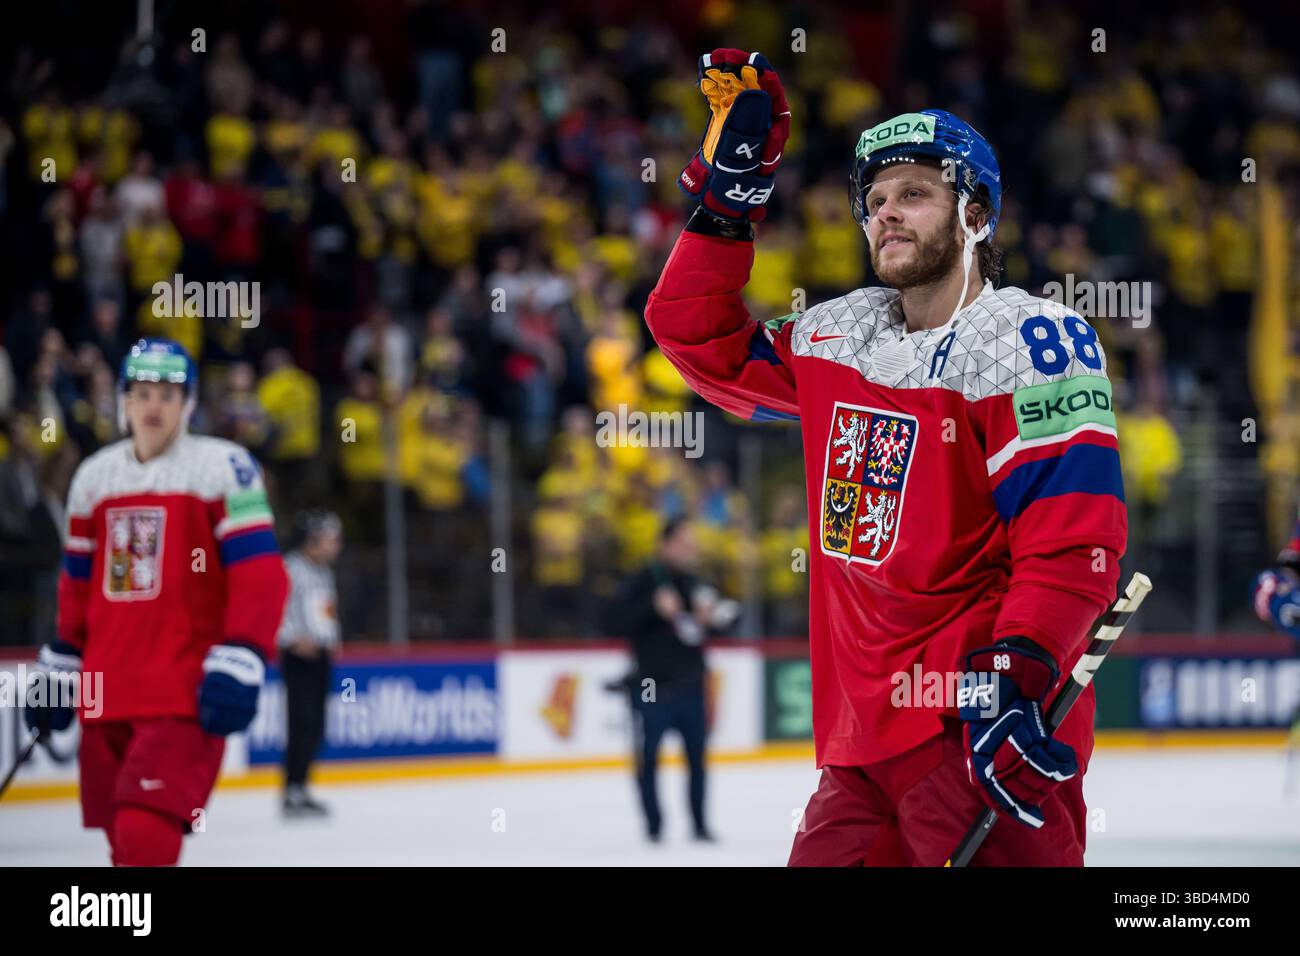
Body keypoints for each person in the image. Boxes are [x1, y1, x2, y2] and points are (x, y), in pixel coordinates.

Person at [645, 50, 1127, 866]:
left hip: (975, 733)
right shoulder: (842, 335)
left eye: (915, 194)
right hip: (857, 750)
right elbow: (699, 342)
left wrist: (1018, 680)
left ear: (975, 214)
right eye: (874, 201)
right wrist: (728, 203)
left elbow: (1071, 542)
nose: (887, 215)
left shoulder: (1029, 339)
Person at [23, 337, 289, 866]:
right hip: (107, 690)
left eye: (167, 395)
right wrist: (64, 655)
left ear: (188, 404)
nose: (153, 405)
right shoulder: (94, 477)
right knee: (122, 841)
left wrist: (244, 650)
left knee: (145, 832)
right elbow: (77, 581)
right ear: (123, 400)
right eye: (141, 392)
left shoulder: (225, 467)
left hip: (181, 692)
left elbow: (260, 573)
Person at [612, 516, 739, 844]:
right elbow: (615, 620)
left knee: (697, 760)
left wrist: (712, 618)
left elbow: (725, 621)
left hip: (691, 685)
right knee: (649, 759)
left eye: (692, 542)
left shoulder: (698, 583)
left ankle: (699, 825)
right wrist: (652, 608)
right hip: (652, 686)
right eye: (684, 541)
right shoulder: (644, 580)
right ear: (666, 544)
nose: (690, 548)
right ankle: (654, 826)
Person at [277, 509, 343, 818]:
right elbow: (276, 609)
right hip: (299, 657)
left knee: (316, 724)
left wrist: (331, 641)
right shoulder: (291, 569)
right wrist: (292, 639)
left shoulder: (323, 572)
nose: (336, 545)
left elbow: (325, 614)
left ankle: (301, 786)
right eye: (331, 539)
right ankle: (292, 789)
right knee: (300, 722)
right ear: (313, 539)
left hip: (320, 657)